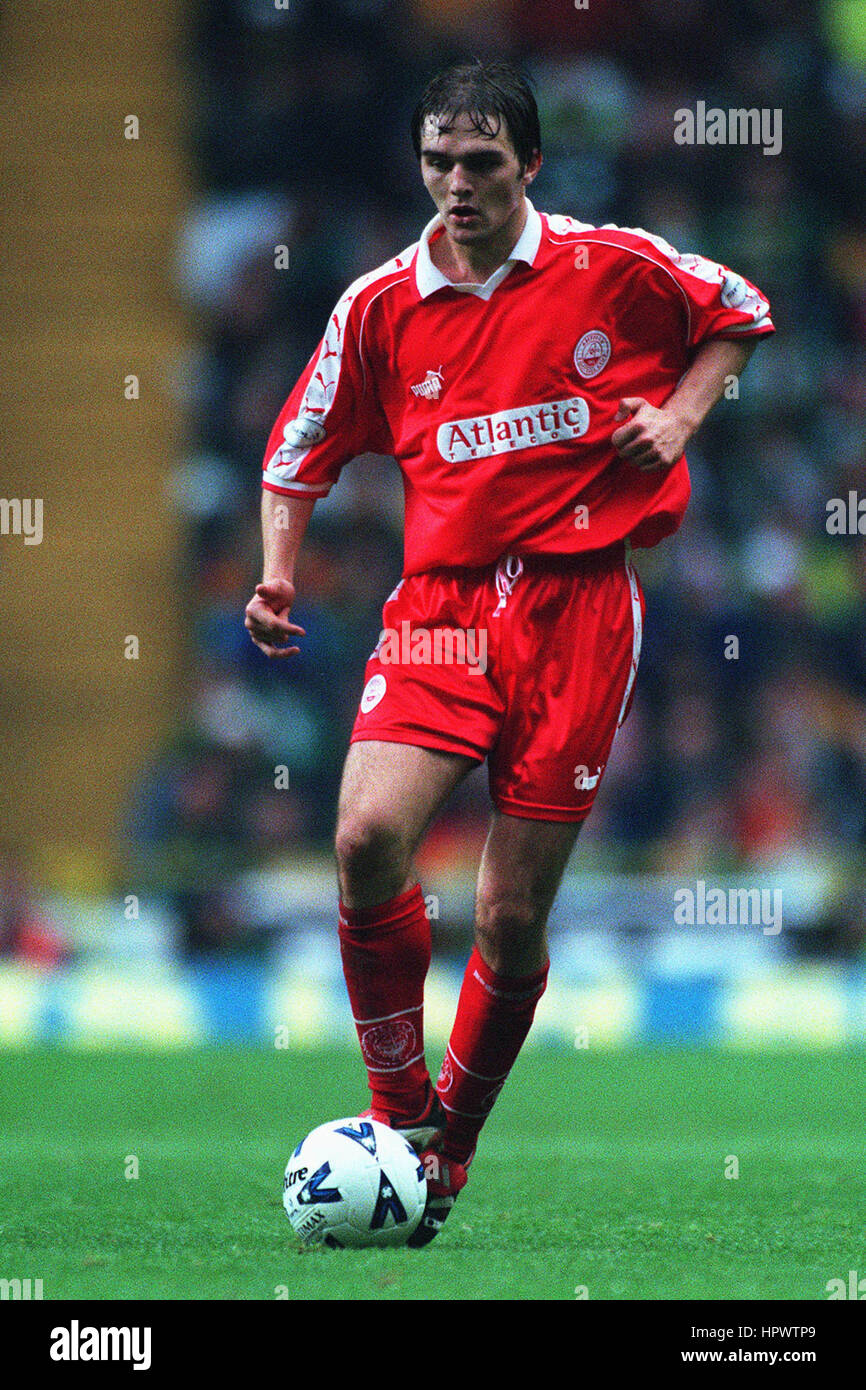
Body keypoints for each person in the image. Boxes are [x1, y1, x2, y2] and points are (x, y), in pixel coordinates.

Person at [244, 60, 774, 1245]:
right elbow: (296, 451)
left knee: (507, 915)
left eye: (480, 162)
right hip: (440, 605)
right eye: (436, 162)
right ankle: (398, 1114)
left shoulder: (610, 266)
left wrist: (677, 416)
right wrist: (280, 567)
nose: (455, 186)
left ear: (528, 165)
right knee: (365, 835)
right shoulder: (378, 306)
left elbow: (738, 309)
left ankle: (447, 1154)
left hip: (580, 611)